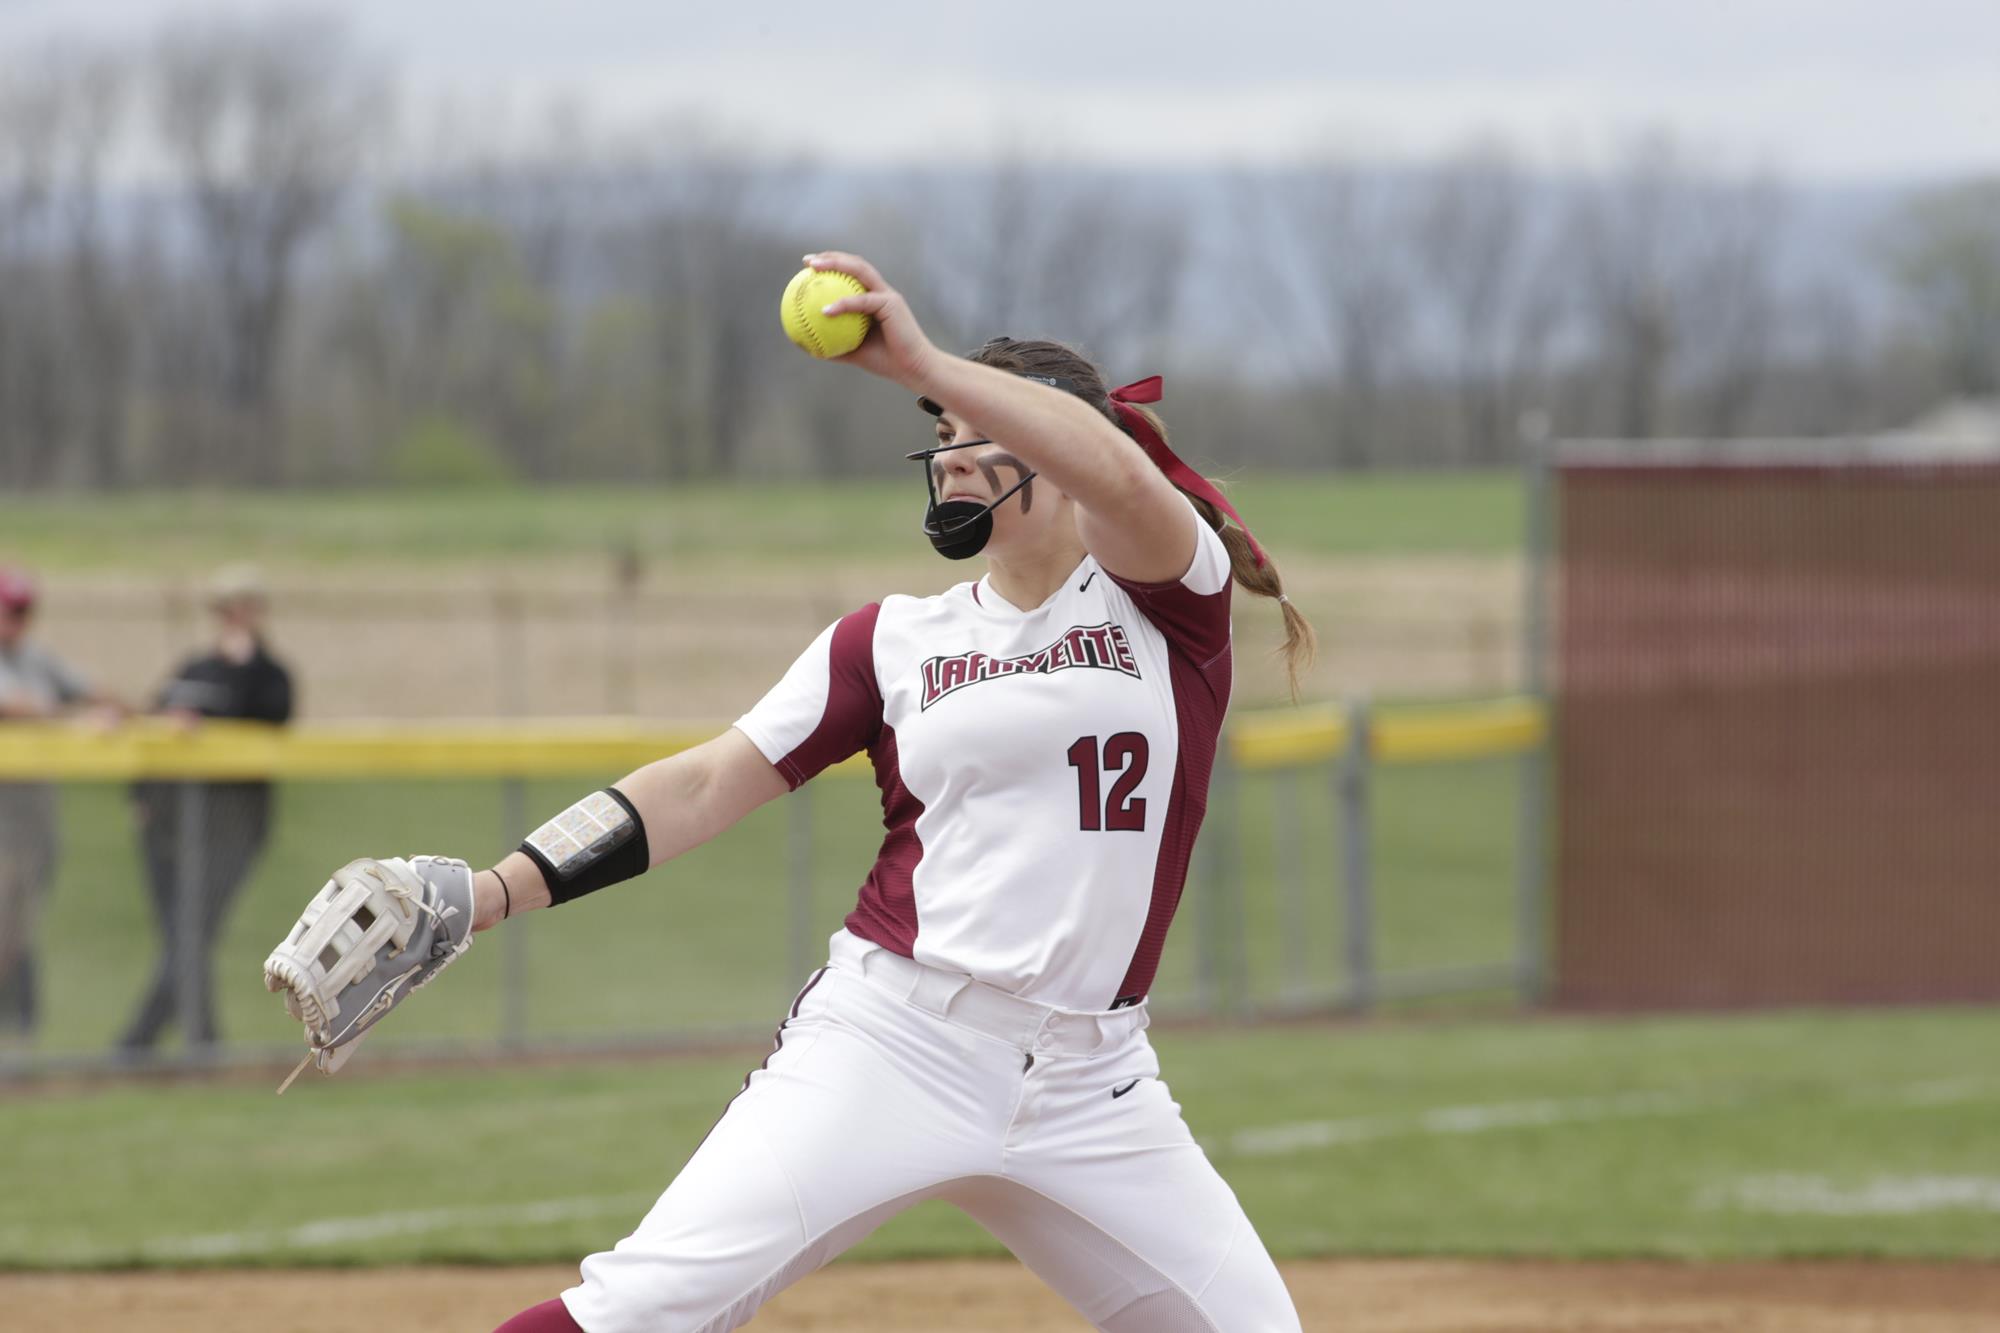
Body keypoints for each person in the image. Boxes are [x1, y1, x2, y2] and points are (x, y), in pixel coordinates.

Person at [275, 252, 1316, 1332]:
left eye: (974, 433)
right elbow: (703, 783)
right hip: (896, 1042)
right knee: (641, 1308)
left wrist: (922, 356)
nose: (948, 455)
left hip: (1095, 1082)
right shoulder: (893, 640)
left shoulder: (1167, 601)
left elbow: (1120, 475)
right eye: (941, 434)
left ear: (1055, 445)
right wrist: (488, 892)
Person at [121, 564, 294, 1053]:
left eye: (245, 608)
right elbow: (155, 724)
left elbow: (274, 715)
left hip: (232, 825)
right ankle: (204, 1042)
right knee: (184, 938)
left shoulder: (269, 675)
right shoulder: (194, 668)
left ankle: (135, 1043)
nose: (235, 618)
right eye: (228, 609)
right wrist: (139, 795)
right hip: (171, 818)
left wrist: (246, 664)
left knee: (191, 934)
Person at [0, 566, 126, 1041]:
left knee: (18, 927)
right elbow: (17, 705)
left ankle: (17, 1033)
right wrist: (78, 719)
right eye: (10, 611)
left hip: (31, 820)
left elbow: (85, 688)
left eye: (23, 611)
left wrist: (128, 708)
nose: (17, 620)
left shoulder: (33, 656)